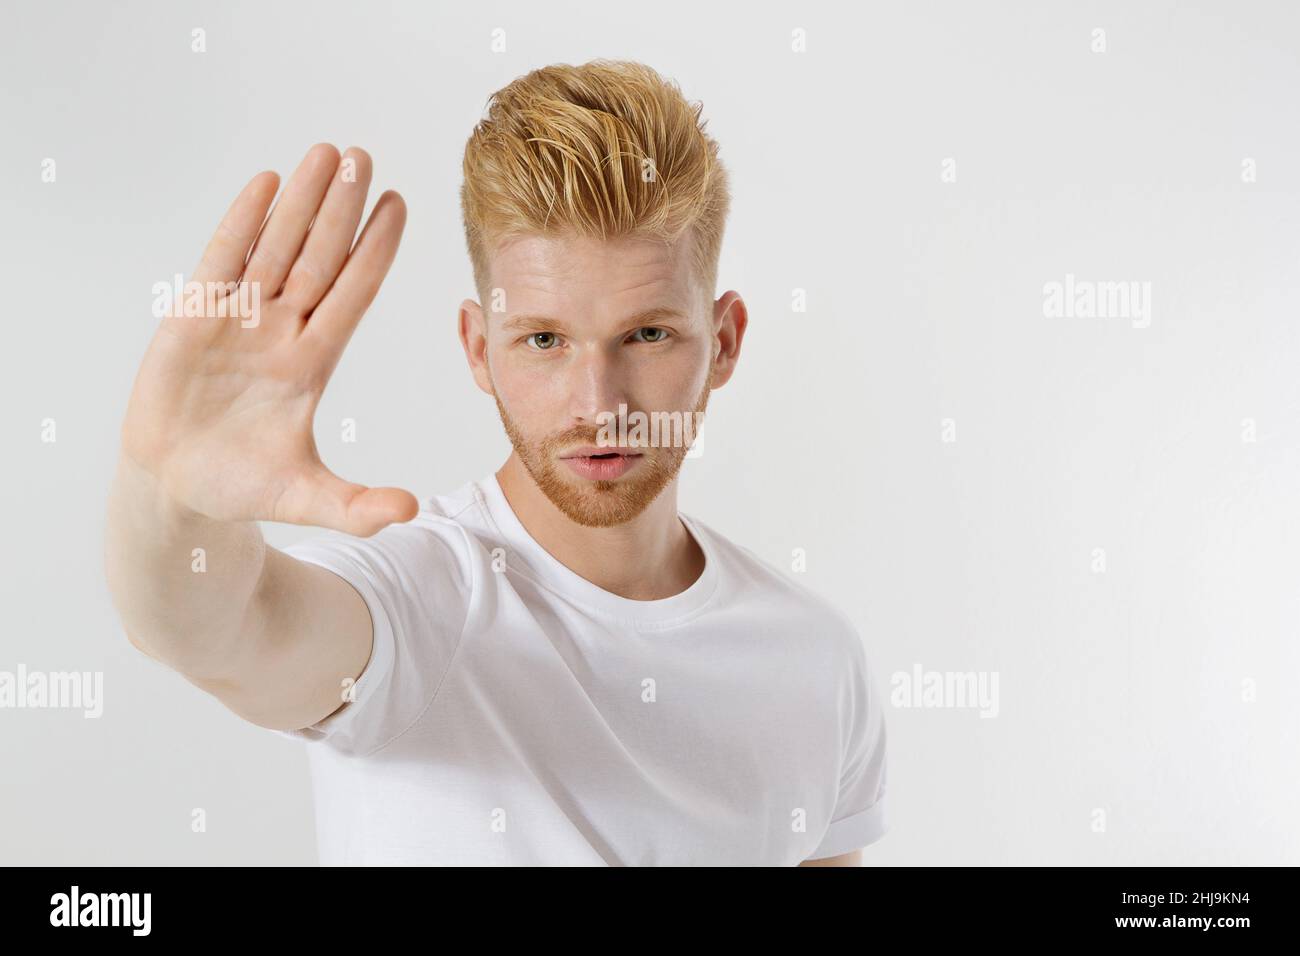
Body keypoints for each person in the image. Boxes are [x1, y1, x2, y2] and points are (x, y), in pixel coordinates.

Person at [105, 59, 887, 866]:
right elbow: (219, 629)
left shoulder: (814, 657)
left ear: (722, 343)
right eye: (544, 340)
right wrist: (171, 502)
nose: (599, 403)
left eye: (647, 334)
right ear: (480, 349)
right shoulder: (416, 602)